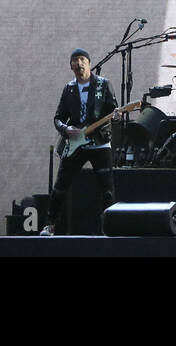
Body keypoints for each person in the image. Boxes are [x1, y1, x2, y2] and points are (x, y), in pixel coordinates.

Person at [42, 48, 120, 236]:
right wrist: (66, 130)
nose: (79, 64)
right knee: (61, 185)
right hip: (76, 143)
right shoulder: (69, 89)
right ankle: (50, 224)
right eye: (75, 61)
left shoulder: (103, 84)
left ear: (89, 63)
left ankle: (108, 227)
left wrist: (116, 116)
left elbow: (113, 110)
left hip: (99, 142)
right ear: (71, 66)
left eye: (82, 60)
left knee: (107, 188)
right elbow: (58, 118)